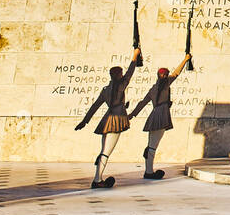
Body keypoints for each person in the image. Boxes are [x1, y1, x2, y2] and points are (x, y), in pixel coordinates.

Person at [75, 46, 141, 188]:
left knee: (104, 150)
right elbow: (130, 72)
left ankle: (98, 178)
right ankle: (97, 180)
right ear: (118, 75)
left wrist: (85, 121)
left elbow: (94, 106)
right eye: (121, 74)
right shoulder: (120, 86)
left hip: (107, 119)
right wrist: (135, 56)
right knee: (106, 152)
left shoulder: (106, 90)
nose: (123, 75)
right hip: (116, 120)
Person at [128, 54, 191, 179]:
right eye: (165, 75)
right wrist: (185, 59)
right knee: (152, 146)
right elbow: (176, 73)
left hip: (154, 115)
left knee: (151, 145)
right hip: (160, 115)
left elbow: (142, 103)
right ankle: (149, 172)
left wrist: (132, 114)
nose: (166, 76)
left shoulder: (154, 88)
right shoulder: (165, 84)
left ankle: (148, 170)